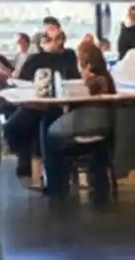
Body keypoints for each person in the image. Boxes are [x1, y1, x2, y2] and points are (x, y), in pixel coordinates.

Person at [41, 41, 116, 199]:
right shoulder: (108, 78)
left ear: (86, 64)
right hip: (104, 131)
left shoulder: (93, 82)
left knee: (49, 134)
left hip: (84, 130)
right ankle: (98, 186)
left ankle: (56, 186)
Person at [5, 32, 82, 182]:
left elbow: (73, 79)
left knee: (39, 127)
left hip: (58, 107)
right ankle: (26, 164)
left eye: (56, 39)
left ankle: (33, 169)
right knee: (12, 127)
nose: (52, 43)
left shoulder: (68, 57)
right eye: (47, 40)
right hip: (34, 105)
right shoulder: (35, 59)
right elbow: (22, 80)